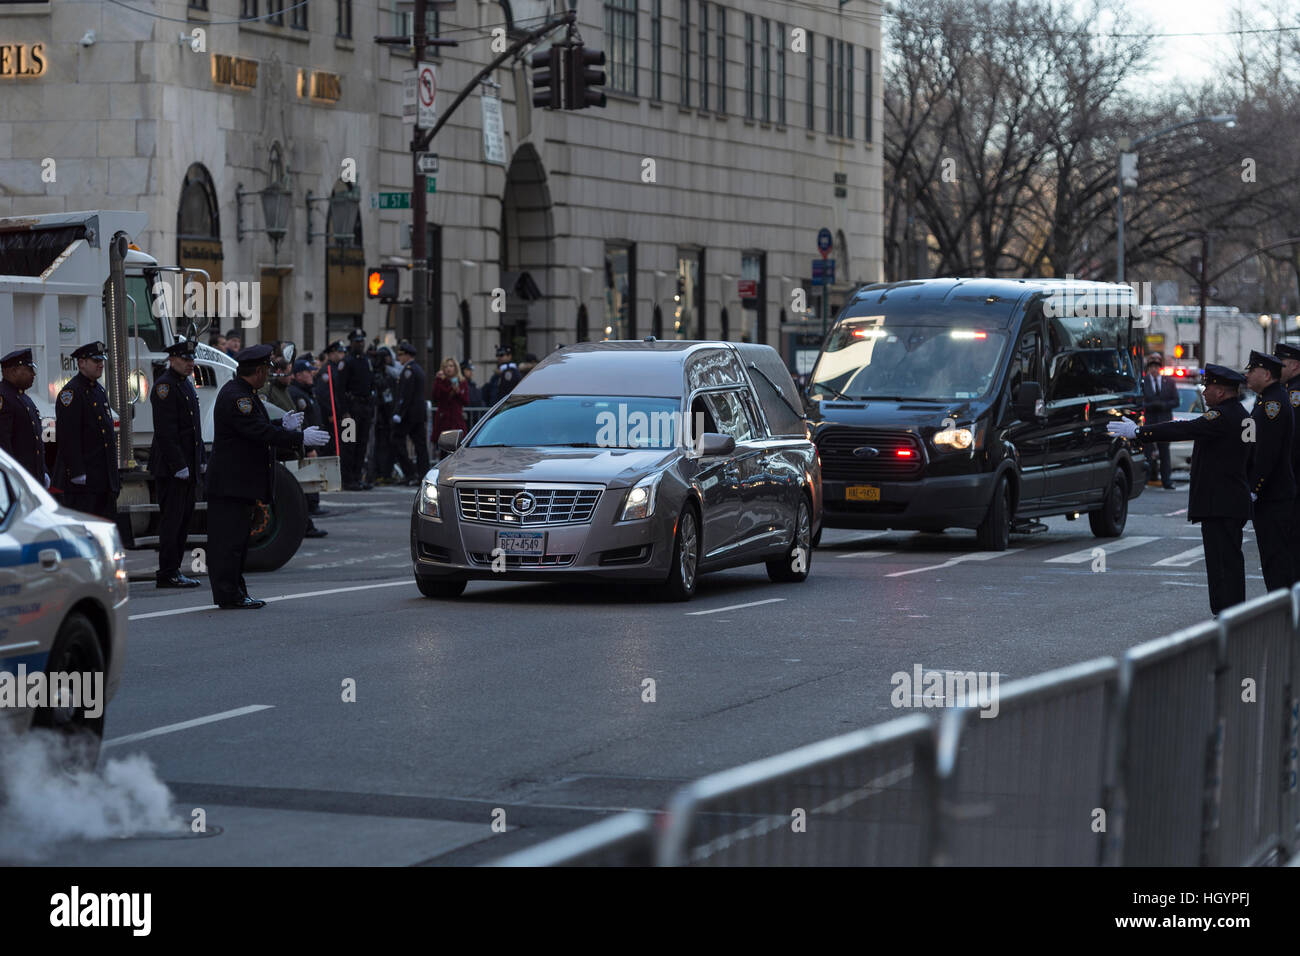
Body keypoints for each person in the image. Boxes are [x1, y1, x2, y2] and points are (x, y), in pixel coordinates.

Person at [1109, 365, 1250, 616]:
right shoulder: (1242, 415)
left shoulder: (1220, 417)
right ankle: (1233, 610)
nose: (1205, 392)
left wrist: (1139, 432)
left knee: (1221, 562)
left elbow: (1183, 428)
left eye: (1209, 387)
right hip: (1231, 499)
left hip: (1219, 502)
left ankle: (1228, 612)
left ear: (1221, 392)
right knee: (1230, 560)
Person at [205, 344, 329, 609]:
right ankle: (229, 594)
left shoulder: (244, 393)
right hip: (232, 484)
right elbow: (257, 433)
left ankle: (234, 592)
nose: (269, 375)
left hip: (237, 483)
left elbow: (259, 428)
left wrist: (281, 425)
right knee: (229, 543)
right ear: (259, 371)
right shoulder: (239, 398)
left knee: (236, 542)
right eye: (267, 369)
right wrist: (298, 436)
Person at [148, 339, 205, 589]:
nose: (190, 363)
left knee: (183, 520)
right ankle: (167, 572)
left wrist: (198, 459)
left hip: (186, 466)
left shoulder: (185, 384)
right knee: (172, 520)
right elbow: (166, 431)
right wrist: (179, 464)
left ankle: (174, 570)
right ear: (172, 360)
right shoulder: (165, 387)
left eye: (192, 359)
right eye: (185, 359)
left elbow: (194, 430)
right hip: (172, 468)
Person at [1244, 349, 1295, 592]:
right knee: (1272, 557)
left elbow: (1267, 452)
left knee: (1276, 559)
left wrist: (1255, 487)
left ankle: (1283, 616)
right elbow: (1250, 441)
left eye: (1251, 370)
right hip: (1273, 494)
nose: (1247, 375)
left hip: (1273, 495)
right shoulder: (1266, 400)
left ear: (1265, 374)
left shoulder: (1272, 404)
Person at [52, 341, 119, 520]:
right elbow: (68, 437)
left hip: (102, 481)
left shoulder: (99, 390)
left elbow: (107, 437)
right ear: (81, 363)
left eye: (102, 360)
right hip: (84, 484)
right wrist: (77, 472)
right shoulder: (71, 393)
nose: (101, 364)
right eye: (95, 360)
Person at [288, 357, 330, 526]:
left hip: (313, 438)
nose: (311, 374)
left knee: (313, 473)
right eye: (307, 372)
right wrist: (309, 446)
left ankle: (313, 504)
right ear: (297, 375)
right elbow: (302, 421)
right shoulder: (297, 393)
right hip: (306, 441)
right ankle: (310, 505)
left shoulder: (307, 391)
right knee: (308, 475)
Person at [0, 348, 47, 487]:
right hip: (16, 480)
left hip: (30, 477)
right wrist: (13, 477)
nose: (34, 374)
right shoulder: (4, 398)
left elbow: (36, 443)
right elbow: (4, 444)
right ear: (13, 371)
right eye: (29, 370)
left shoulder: (24, 398)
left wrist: (42, 471)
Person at [1274, 341, 1300, 583]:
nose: (1276, 370)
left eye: (1281, 365)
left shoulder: (1294, 394)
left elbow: (1293, 440)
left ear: (1295, 366)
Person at [336, 328, 374, 491]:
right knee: (349, 444)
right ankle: (347, 479)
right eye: (357, 341)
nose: (360, 343)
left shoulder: (366, 360)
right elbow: (339, 389)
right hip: (351, 408)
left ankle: (357, 478)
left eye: (362, 341)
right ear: (351, 343)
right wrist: (344, 411)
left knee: (361, 445)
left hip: (364, 407)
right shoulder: (347, 362)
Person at [391, 342, 429, 485]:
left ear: (407, 355)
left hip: (408, 415)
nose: (399, 358)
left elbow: (405, 395)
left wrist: (398, 414)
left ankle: (410, 472)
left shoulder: (408, 370)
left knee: (396, 440)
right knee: (420, 446)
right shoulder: (417, 369)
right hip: (418, 414)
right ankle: (422, 475)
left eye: (400, 355)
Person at [1141, 356, 1179, 489]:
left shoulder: (1169, 382)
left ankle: (1166, 480)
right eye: (1152, 367)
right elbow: (1139, 401)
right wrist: (1150, 405)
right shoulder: (1143, 382)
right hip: (1149, 421)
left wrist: (1163, 405)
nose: (1154, 369)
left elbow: (1176, 401)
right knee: (1147, 452)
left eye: (1156, 367)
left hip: (1164, 421)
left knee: (1164, 453)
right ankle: (1144, 480)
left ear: (1160, 368)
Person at [371, 346, 398, 484]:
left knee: (387, 446)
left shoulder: (389, 373)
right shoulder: (378, 375)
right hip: (380, 417)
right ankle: (378, 472)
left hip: (387, 416)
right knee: (380, 446)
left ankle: (384, 472)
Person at [314, 340, 346, 456]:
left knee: (345, 444)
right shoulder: (327, 371)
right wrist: (330, 413)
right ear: (332, 354)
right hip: (331, 416)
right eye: (340, 352)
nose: (342, 355)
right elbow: (324, 395)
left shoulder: (339, 368)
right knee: (332, 446)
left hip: (341, 414)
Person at [432, 357, 470, 449]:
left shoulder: (462, 381)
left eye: (451, 366)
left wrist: (458, 392)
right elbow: (435, 396)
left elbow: (466, 401)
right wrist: (439, 380)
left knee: (458, 447)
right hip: (443, 419)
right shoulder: (441, 381)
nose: (448, 368)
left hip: (456, 419)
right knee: (443, 449)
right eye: (446, 366)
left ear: (456, 368)